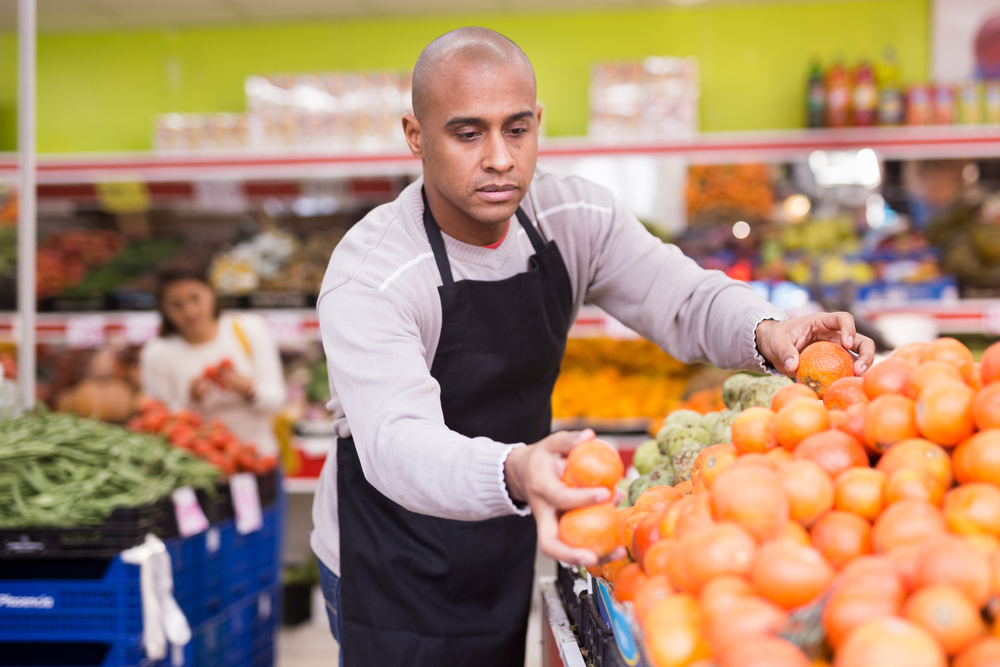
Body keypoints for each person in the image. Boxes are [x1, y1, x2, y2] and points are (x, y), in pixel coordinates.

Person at [311, 27, 875, 667]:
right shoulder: (375, 274)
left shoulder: (570, 215)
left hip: (509, 520)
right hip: (388, 556)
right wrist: (514, 470)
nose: (500, 157)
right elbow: (396, 443)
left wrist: (768, 330)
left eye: (516, 129)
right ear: (416, 135)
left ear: (537, 123)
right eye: (468, 134)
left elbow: (682, 295)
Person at [140, 266, 287, 455]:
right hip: (198, 462)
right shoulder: (157, 353)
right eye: (176, 305)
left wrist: (250, 391)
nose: (189, 311)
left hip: (258, 456)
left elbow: (277, 401)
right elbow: (159, 424)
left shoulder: (250, 329)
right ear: (163, 310)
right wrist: (190, 401)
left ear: (211, 292)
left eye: (195, 298)